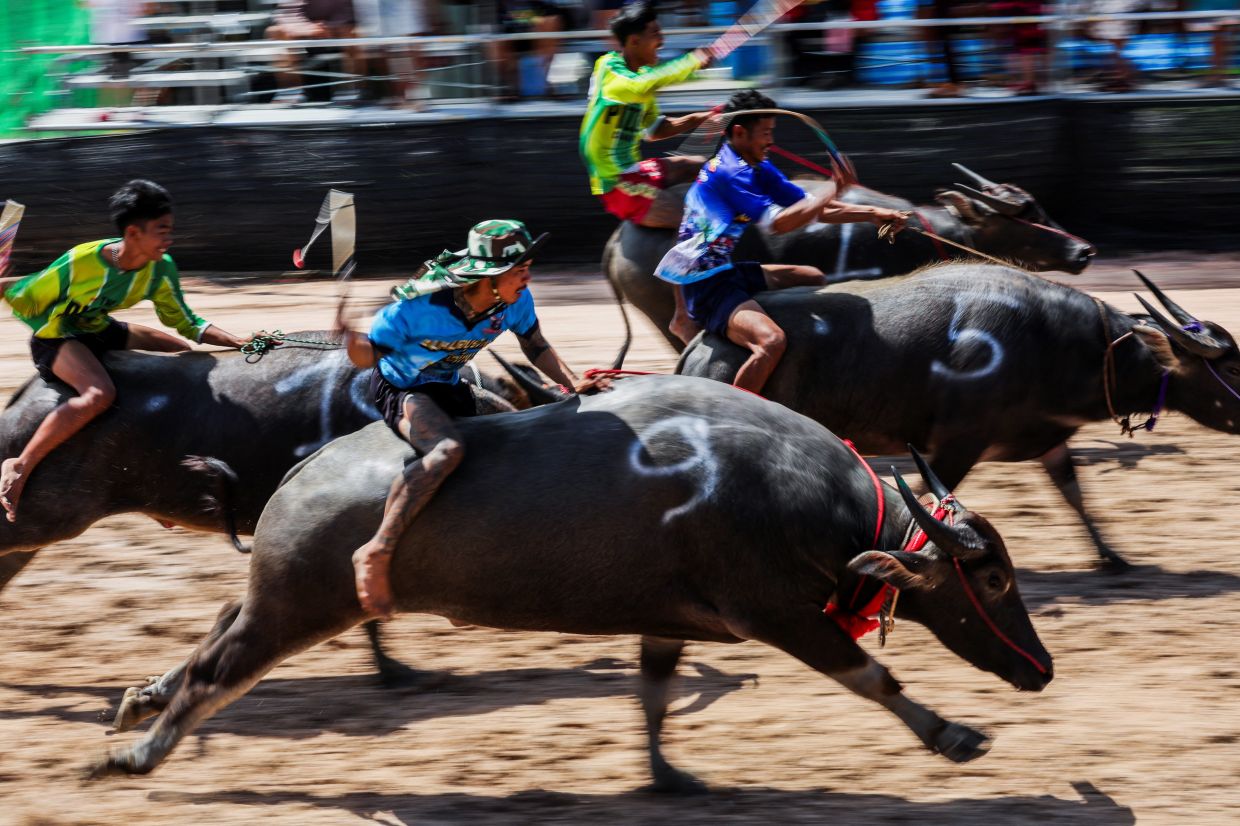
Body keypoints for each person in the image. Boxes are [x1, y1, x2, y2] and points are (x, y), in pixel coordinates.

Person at [337, 219, 601, 618]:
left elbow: (535, 344)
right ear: (488, 278)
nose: (528, 278)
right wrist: (351, 340)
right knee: (446, 451)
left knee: (520, 434)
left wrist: (573, 382)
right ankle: (376, 550)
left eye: (528, 267)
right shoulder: (414, 309)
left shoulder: (515, 301)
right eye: (519, 270)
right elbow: (366, 358)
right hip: (404, 388)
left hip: (450, 384)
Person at [0, 180, 258, 522]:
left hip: (99, 328)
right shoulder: (81, 261)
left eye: (170, 230)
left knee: (179, 351)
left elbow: (185, 322)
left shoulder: (160, 268)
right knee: (98, 394)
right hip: (57, 334)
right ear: (133, 233)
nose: (169, 239)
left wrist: (237, 341)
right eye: (162, 231)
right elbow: (29, 295)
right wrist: (6, 286)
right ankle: (21, 463)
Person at [655, 91, 909, 394]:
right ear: (740, 132)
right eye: (766, 133)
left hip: (724, 270)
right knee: (772, 342)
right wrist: (833, 188)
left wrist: (873, 213)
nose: (771, 141)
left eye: (772, 132)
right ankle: (735, 411)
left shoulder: (757, 167)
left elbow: (812, 208)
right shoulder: (730, 172)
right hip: (705, 284)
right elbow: (780, 224)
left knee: (812, 277)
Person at [579, 0, 717, 341]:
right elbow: (642, 87)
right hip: (616, 182)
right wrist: (692, 62)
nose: (662, 40)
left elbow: (655, 130)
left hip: (637, 168)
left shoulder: (639, 77)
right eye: (655, 34)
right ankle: (683, 315)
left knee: (704, 167)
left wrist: (701, 119)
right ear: (633, 41)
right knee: (690, 219)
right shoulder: (611, 71)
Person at [265, 0, 364, 103]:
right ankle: (291, 91)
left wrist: (329, 27)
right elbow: (287, 14)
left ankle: (352, 89)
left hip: (337, 30)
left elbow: (347, 13)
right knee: (275, 31)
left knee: (353, 32)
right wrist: (307, 28)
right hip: (305, 32)